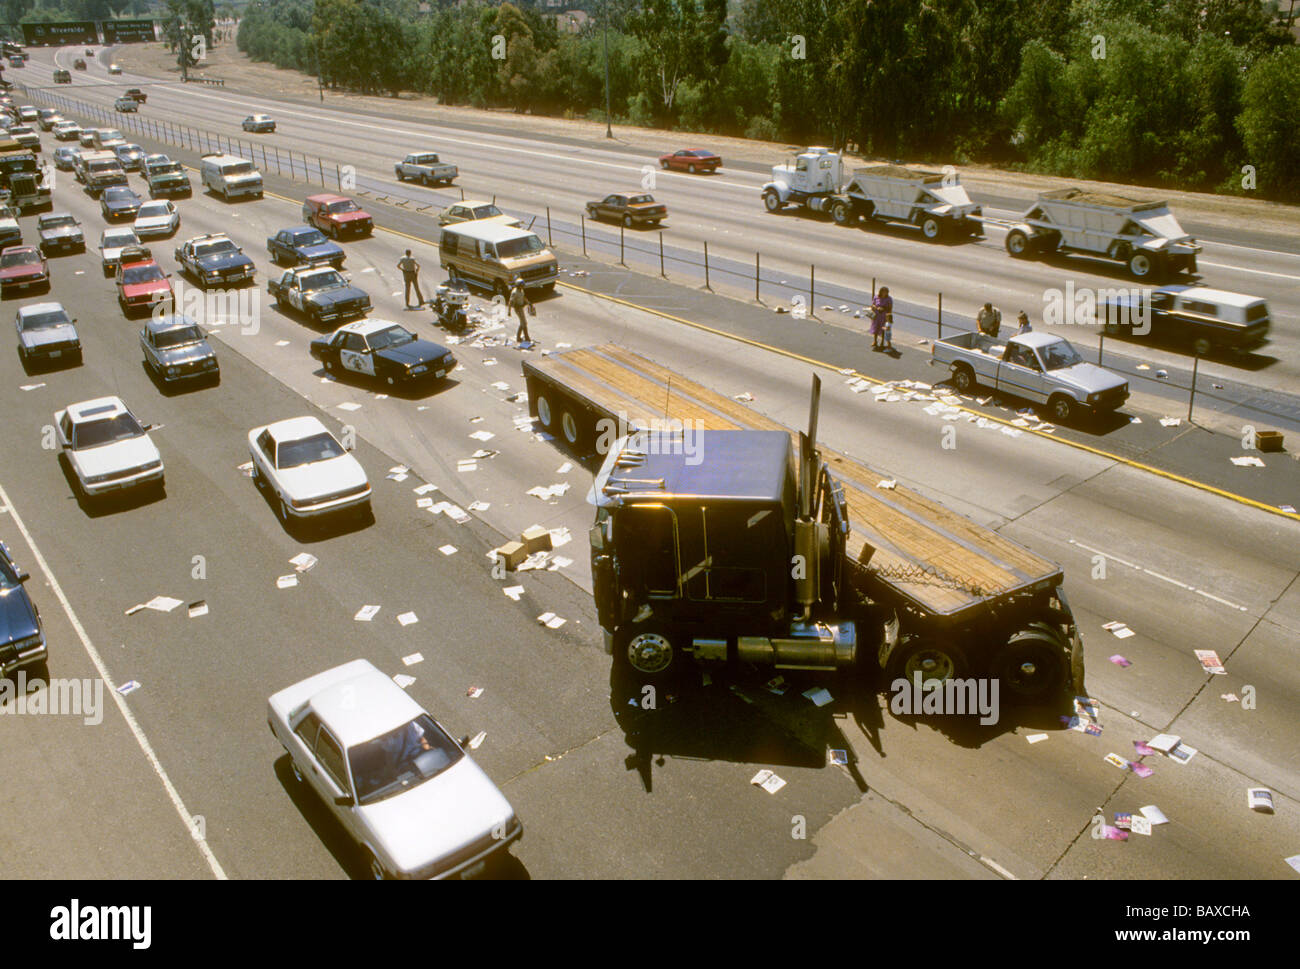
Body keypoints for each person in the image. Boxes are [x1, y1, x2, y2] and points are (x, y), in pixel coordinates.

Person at [509, 276, 533, 345]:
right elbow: (510, 302)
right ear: (518, 286)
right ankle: (526, 337)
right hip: (517, 308)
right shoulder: (514, 292)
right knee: (524, 323)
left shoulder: (521, 290)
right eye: (521, 285)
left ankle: (518, 337)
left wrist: (528, 302)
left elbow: (523, 297)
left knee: (523, 322)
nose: (523, 286)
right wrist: (509, 311)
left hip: (521, 307)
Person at [871, 286, 893, 351]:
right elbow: (873, 305)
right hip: (877, 315)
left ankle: (882, 342)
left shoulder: (889, 299)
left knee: (883, 330)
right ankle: (875, 341)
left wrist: (884, 309)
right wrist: (876, 307)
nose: (885, 293)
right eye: (883, 291)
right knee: (875, 328)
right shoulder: (876, 297)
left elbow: (890, 308)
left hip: (884, 316)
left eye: (886, 292)